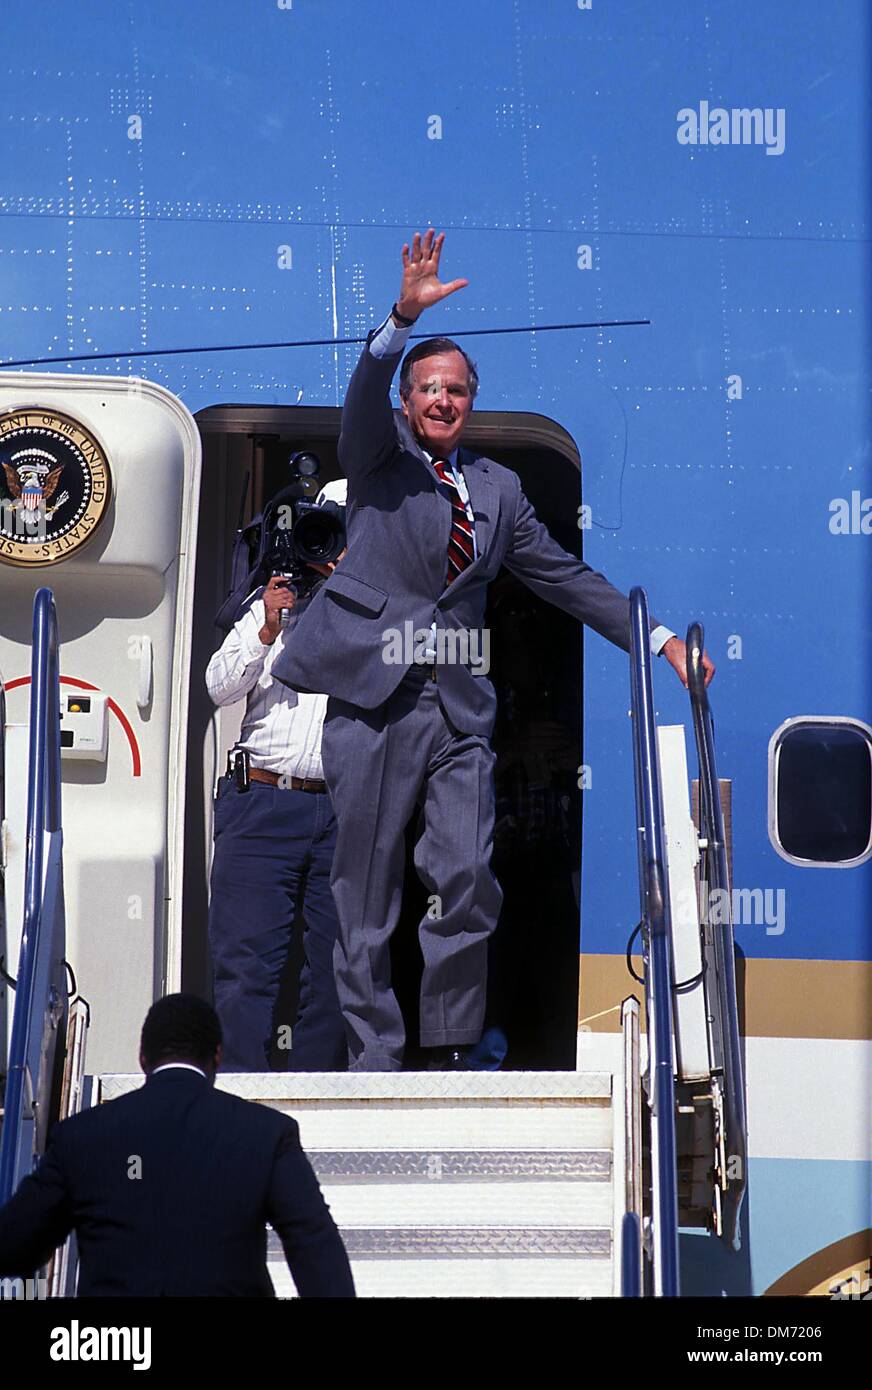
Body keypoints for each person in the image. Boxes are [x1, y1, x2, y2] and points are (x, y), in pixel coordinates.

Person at [274, 228, 715, 1073]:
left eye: (459, 391)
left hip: (457, 708)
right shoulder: (377, 458)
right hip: (374, 700)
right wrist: (403, 315)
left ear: (472, 401)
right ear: (409, 400)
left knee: (470, 878)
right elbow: (365, 388)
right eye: (430, 389)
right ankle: (375, 1053)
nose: (444, 401)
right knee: (364, 893)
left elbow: (563, 577)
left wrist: (656, 640)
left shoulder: (499, 491)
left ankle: (445, 1046)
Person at [0, 994, 355, 1297]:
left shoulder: (82, 1136)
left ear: (143, 1058)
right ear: (217, 1056)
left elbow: (15, 1244)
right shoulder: (265, 1133)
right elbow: (313, 1243)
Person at [206, 487, 348, 1072]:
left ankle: (322, 1100)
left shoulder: (378, 609)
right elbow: (218, 687)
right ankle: (239, 1098)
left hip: (343, 810)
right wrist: (267, 625)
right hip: (262, 800)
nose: (333, 549)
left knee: (341, 967)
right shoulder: (269, 602)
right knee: (246, 965)